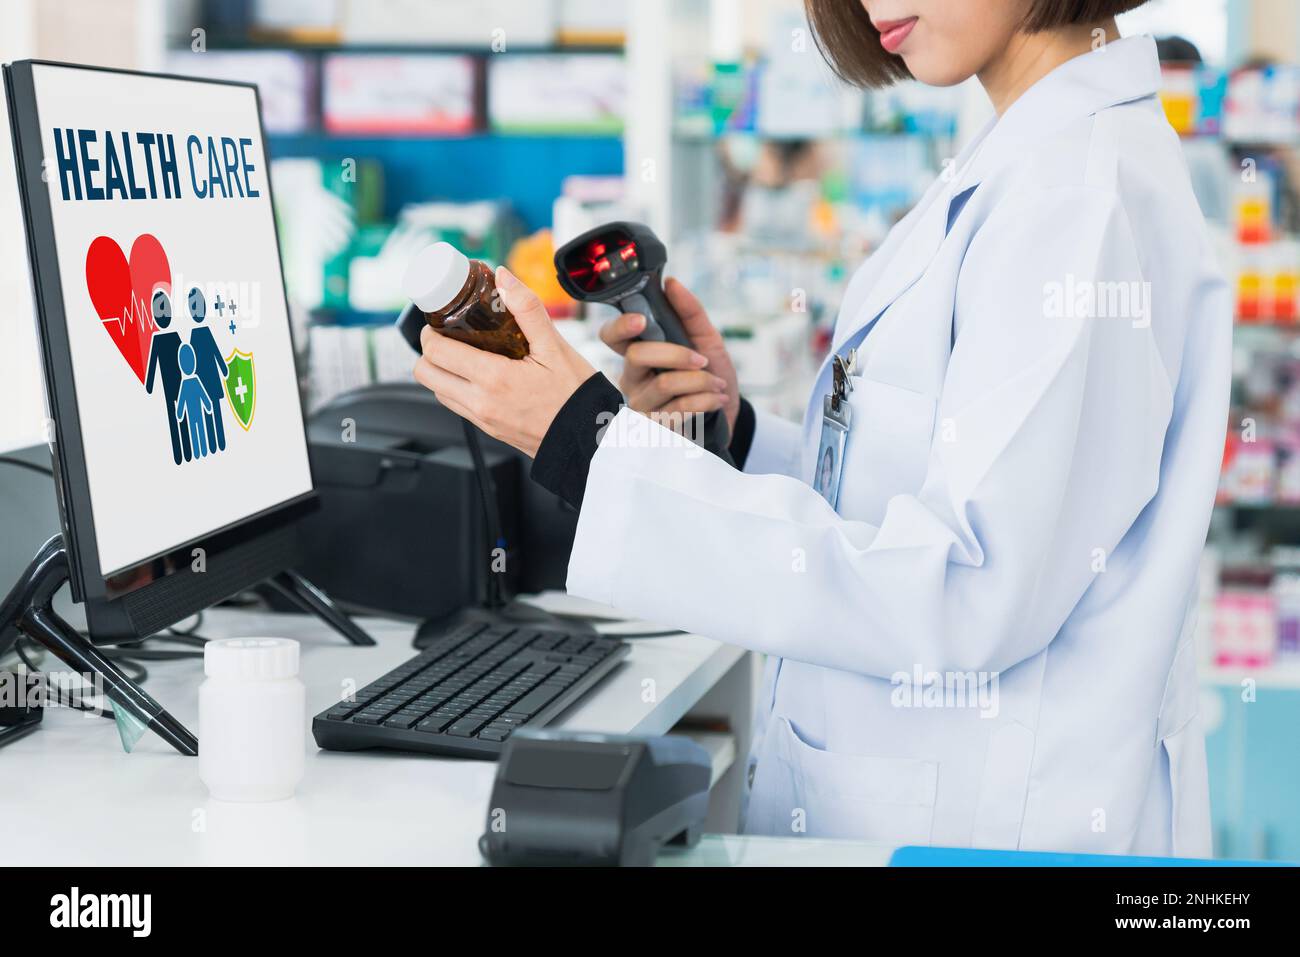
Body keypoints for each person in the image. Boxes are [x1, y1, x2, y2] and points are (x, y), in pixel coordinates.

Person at [413, 0, 1230, 856]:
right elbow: (922, 489)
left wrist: (583, 439)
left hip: (993, 826)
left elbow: (964, 593)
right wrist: (733, 433)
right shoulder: (1027, 155)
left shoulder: (1076, 198)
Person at [144, 290, 191, 464]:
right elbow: (153, 364)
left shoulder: (174, 336)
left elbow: (183, 357)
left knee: (179, 417)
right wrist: (148, 385)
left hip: (178, 383)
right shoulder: (158, 339)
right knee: (175, 417)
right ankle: (181, 452)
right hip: (171, 385)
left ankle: (185, 451)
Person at [185, 287, 230, 453]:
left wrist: (224, 370)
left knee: (217, 411)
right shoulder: (193, 334)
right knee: (209, 414)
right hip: (203, 381)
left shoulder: (206, 332)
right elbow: (194, 361)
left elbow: (216, 353)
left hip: (212, 379)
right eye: (193, 306)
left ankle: (220, 441)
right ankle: (212, 443)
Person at [174, 343, 213, 460]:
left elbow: (180, 407)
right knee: (200, 430)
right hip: (199, 414)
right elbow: (205, 398)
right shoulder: (195, 382)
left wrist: (179, 412)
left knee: (195, 433)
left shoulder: (185, 385)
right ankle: (203, 451)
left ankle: (197, 452)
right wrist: (208, 406)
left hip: (191, 416)